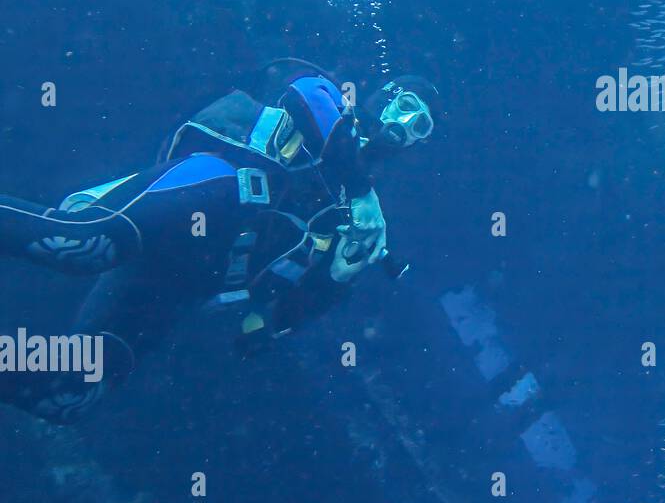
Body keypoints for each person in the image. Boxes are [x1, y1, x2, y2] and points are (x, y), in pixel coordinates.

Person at [0, 59, 438, 424]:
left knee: (74, 393)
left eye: (419, 125)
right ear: (383, 95)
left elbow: (282, 316)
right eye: (404, 105)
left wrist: (339, 278)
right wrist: (361, 192)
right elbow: (303, 92)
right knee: (80, 244)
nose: (404, 124)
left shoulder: (356, 224)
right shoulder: (333, 104)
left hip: (183, 281)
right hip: (213, 190)